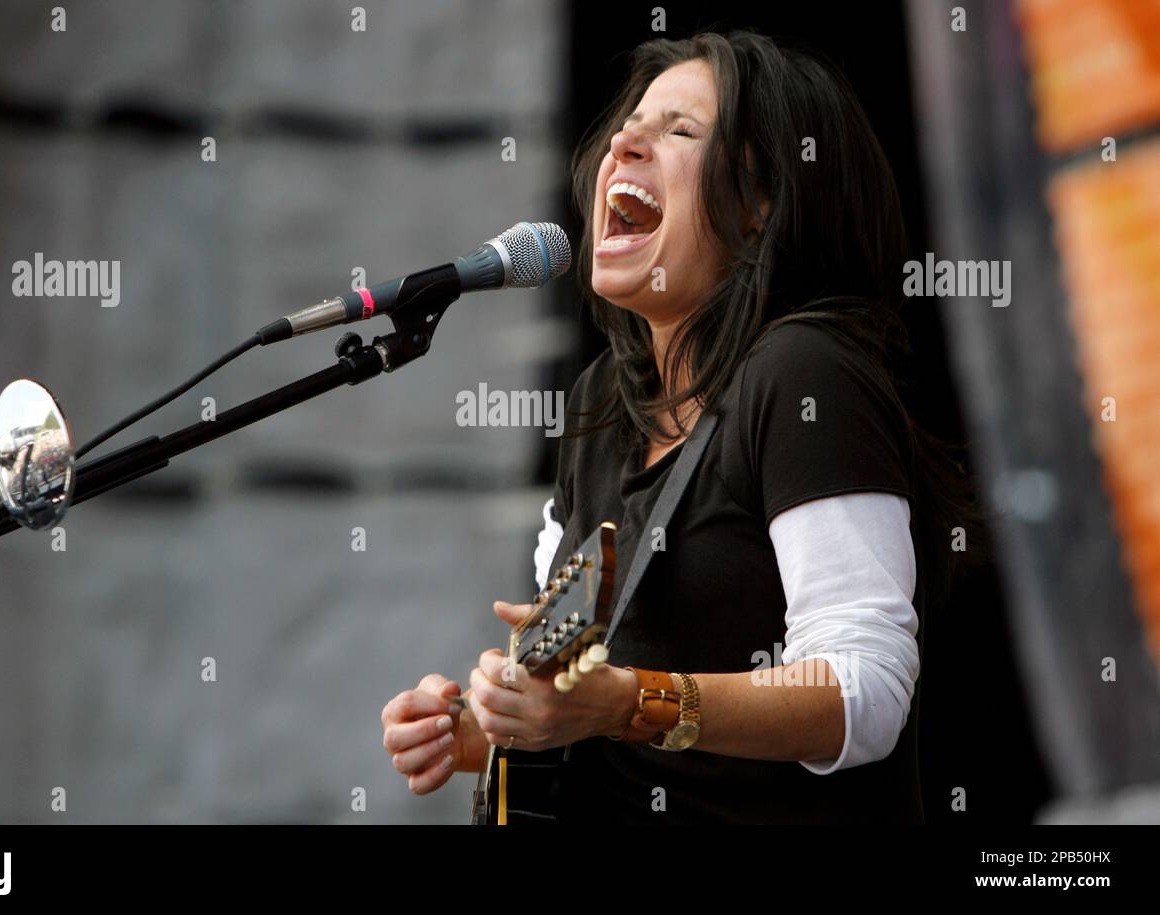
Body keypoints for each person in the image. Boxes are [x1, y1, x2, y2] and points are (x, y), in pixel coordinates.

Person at [380, 29, 982, 824]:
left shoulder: (806, 375)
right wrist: (480, 727)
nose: (624, 141)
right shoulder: (600, 404)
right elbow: (585, 700)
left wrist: (628, 701)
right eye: (629, 124)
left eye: (680, 131)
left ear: (764, 206)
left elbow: (861, 693)